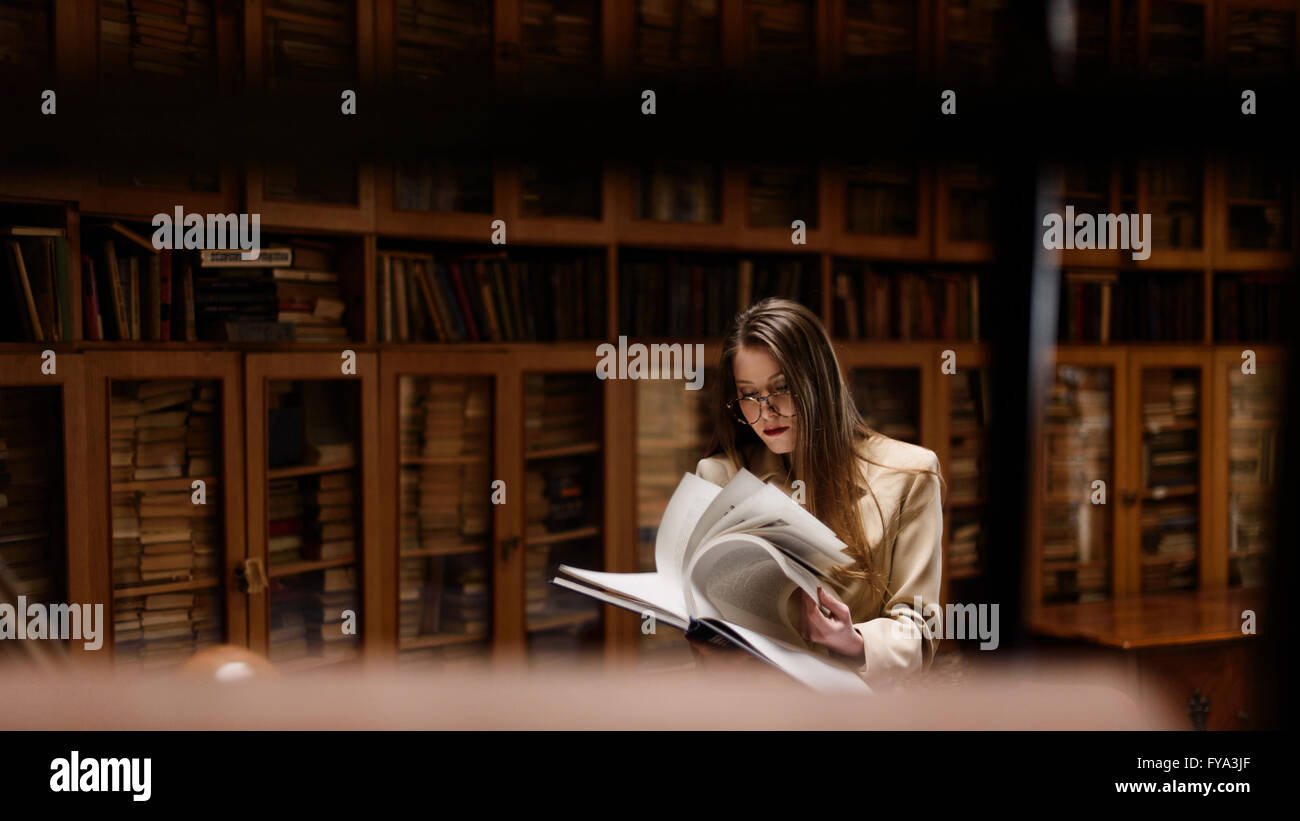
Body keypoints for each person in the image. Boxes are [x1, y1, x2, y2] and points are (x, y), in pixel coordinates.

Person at [689, 297, 944, 688]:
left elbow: (918, 629)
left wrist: (854, 642)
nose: (766, 411)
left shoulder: (910, 475)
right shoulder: (722, 477)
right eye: (749, 394)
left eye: (782, 388)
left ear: (820, 383)